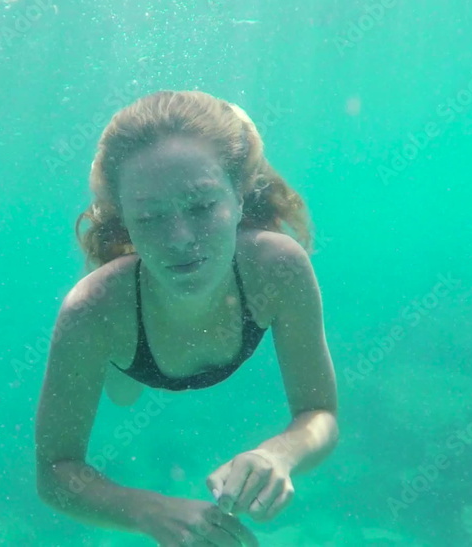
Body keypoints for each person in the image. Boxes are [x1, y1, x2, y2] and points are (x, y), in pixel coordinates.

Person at [35, 90, 339, 546]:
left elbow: (320, 413)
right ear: (125, 220)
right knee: (122, 393)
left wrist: (279, 455)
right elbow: (56, 470)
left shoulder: (278, 267)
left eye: (201, 206)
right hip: (129, 350)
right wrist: (149, 512)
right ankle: (122, 367)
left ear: (239, 196)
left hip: (147, 316)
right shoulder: (92, 312)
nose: (179, 239)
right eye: (150, 216)